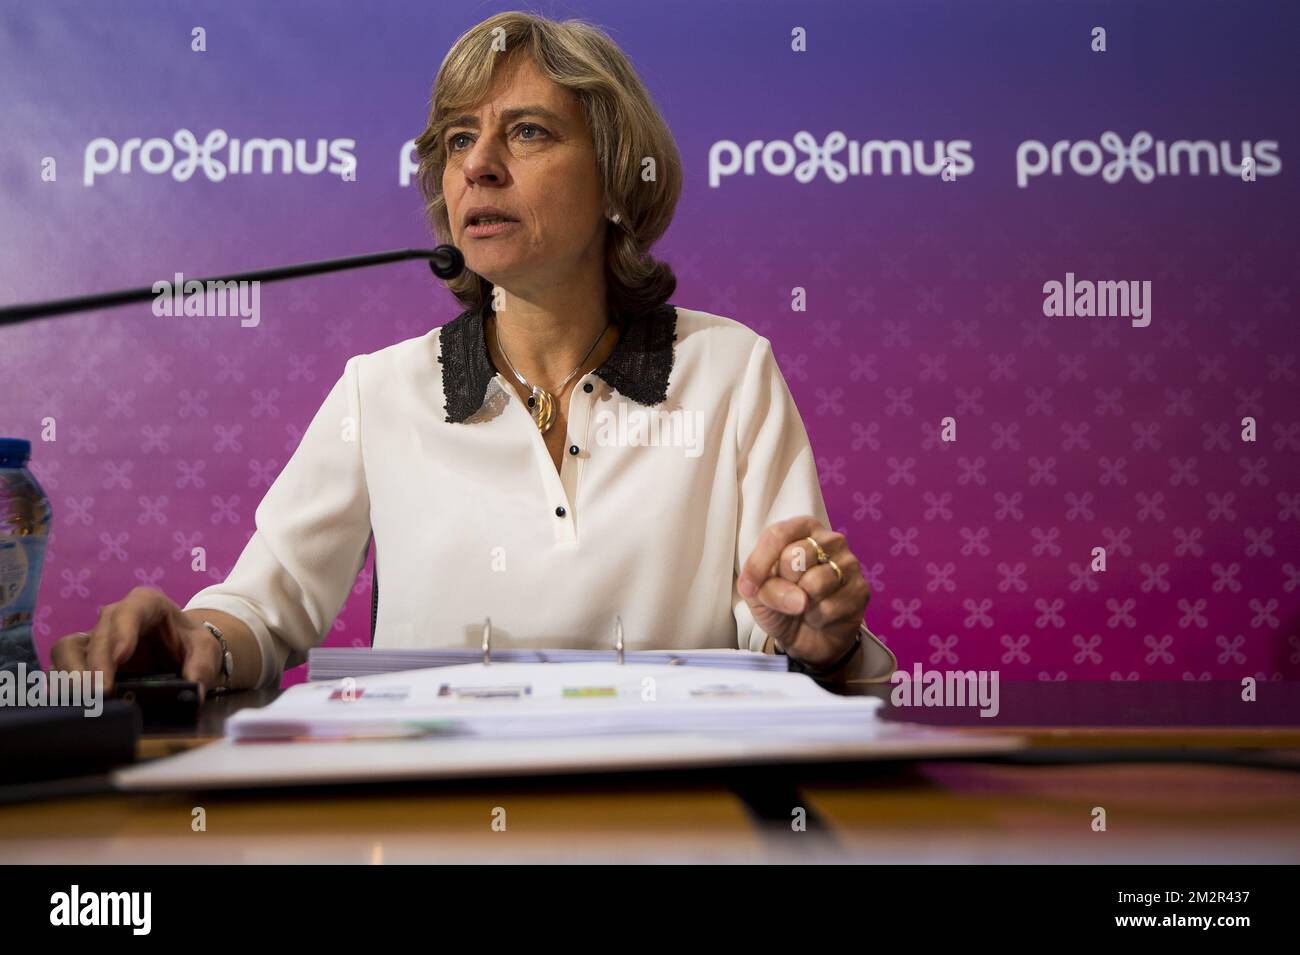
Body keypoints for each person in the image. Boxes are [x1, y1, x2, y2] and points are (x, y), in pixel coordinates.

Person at [51, 11, 895, 697]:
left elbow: (778, 624)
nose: (478, 166)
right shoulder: (381, 391)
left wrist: (818, 632)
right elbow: (262, 612)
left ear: (612, 178)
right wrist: (192, 637)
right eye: (457, 140)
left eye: (524, 132)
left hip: (674, 818)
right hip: (433, 822)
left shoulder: (730, 370)